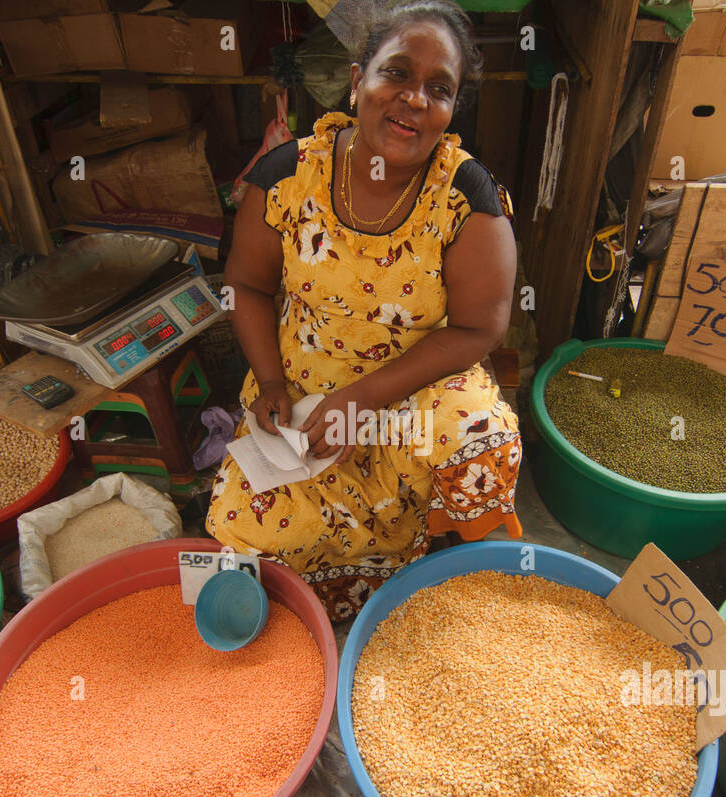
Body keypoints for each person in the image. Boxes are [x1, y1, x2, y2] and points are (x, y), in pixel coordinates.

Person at [207, 0, 523, 621]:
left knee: (479, 435)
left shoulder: (466, 199)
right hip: (305, 398)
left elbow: (480, 327)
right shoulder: (286, 177)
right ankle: (340, 601)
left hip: (413, 394)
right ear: (358, 82)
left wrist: (365, 400)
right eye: (396, 74)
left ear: (451, 109)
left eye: (439, 88)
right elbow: (245, 285)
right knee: (238, 530)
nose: (413, 99)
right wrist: (272, 381)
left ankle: (451, 577)